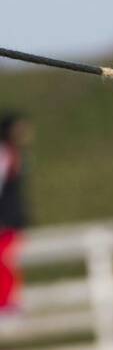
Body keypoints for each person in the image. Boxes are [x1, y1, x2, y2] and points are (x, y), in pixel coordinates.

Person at [0, 114, 32, 316]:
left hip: (12, 218)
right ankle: (6, 305)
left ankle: (10, 303)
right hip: (5, 219)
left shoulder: (14, 153)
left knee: (10, 260)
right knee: (4, 260)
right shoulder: (4, 153)